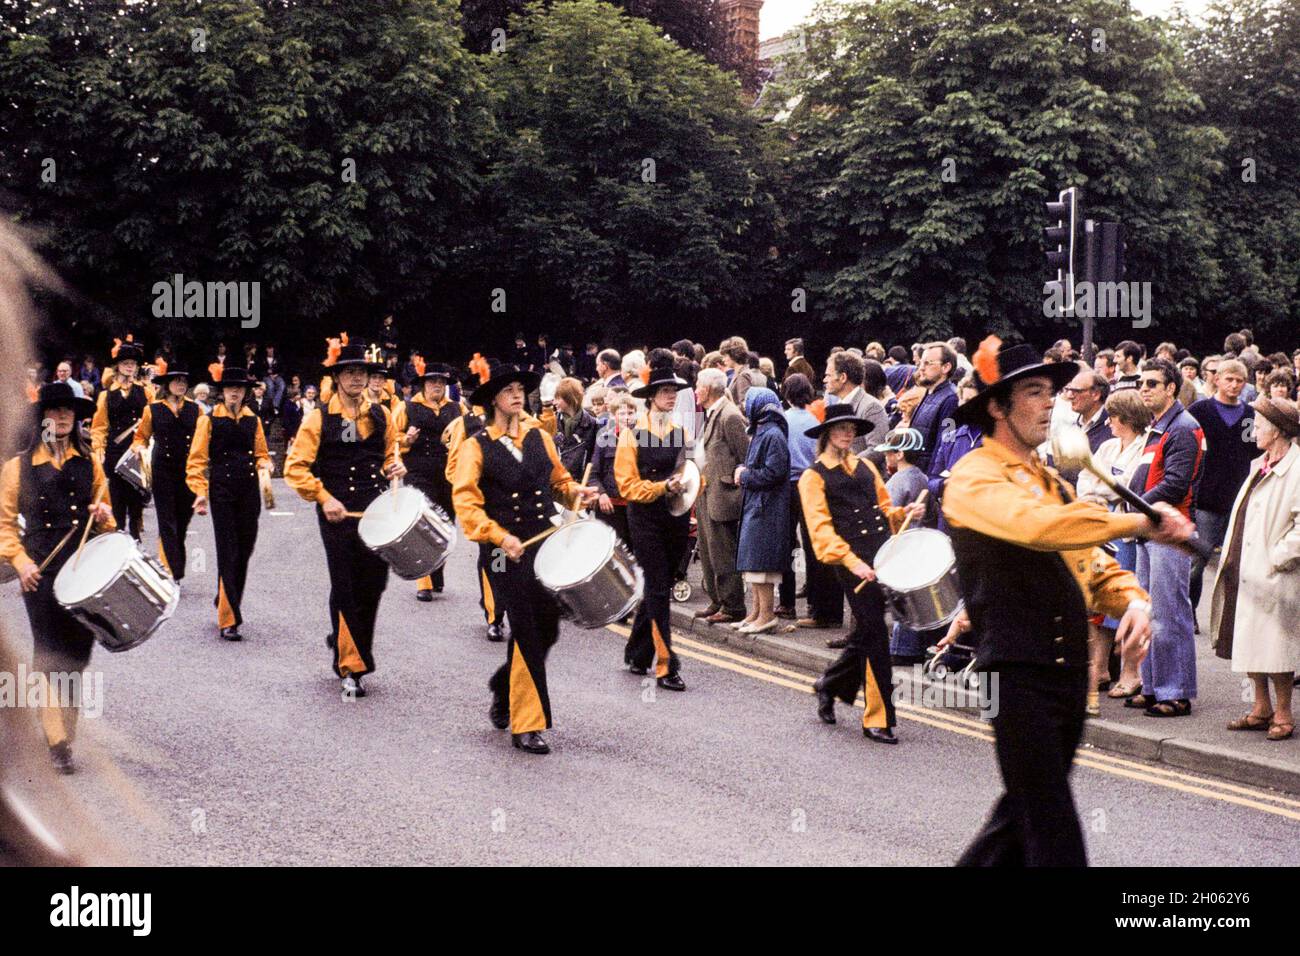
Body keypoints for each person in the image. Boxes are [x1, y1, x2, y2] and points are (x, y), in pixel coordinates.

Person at [942, 339, 1188, 866]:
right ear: (996, 406)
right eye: (1034, 392)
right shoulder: (972, 478)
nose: (1049, 402)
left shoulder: (1051, 481)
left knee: (1017, 826)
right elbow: (1039, 529)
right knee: (1053, 833)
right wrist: (1142, 522)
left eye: (1050, 391)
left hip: (1068, 675)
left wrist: (1136, 602)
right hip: (1014, 675)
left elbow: (1093, 562)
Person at [452, 364, 595, 755]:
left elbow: (559, 483)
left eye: (521, 389)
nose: (518, 395)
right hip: (502, 552)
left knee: (548, 627)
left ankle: (502, 687)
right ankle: (527, 723)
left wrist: (580, 493)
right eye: (509, 390)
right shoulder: (475, 446)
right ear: (493, 400)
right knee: (528, 628)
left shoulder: (539, 437)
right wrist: (500, 537)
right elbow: (465, 504)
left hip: (543, 543)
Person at [0, 383, 115, 774]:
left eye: (69, 411)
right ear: (42, 418)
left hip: (84, 572)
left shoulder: (92, 464)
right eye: (55, 410)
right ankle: (57, 741)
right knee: (49, 653)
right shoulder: (17, 468)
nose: (63, 417)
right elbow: (4, 527)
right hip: (41, 573)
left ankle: (64, 729)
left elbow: (108, 522)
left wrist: (103, 517)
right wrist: (20, 562)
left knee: (78, 656)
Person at [284, 344, 407, 697]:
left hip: (375, 513)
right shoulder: (319, 417)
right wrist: (324, 498)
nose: (357, 378)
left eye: (362, 372)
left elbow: (388, 459)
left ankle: (346, 645)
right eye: (349, 372)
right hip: (337, 515)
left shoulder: (382, 415)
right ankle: (351, 665)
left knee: (374, 584)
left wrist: (394, 467)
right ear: (337, 377)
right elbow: (295, 468)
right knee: (346, 585)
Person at [802, 405, 923, 744]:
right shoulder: (813, 476)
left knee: (867, 632)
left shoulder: (867, 466)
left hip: (882, 556)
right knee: (874, 634)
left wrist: (905, 513)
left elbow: (885, 511)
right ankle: (878, 717)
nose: (848, 433)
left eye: (852, 428)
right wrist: (852, 562)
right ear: (827, 432)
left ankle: (829, 684)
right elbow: (820, 530)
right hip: (851, 562)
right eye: (841, 427)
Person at [1212, 397, 1300, 741]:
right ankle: (1261, 709)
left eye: (1260, 424)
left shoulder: (1296, 468)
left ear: (1277, 430)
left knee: (1276, 646)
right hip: (1245, 565)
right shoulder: (1260, 464)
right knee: (1248, 640)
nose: (1255, 429)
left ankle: (1283, 713)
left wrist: (1278, 558)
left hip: (1276, 571)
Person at [1126, 358, 1205, 718]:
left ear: (1171, 388)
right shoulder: (1157, 426)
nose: (1144, 388)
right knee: (1149, 610)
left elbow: (1175, 484)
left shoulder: (1184, 428)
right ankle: (1153, 684)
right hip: (1149, 527)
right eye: (1142, 382)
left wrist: (1136, 506)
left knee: (1170, 612)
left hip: (1169, 532)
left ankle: (1176, 692)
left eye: (1152, 383)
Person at [1075, 390, 1153, 710]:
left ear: (1125, 419)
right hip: (1103, 530)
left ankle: (1132, 673)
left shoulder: (1144, 447)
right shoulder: (1107, 446)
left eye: (1112, 417)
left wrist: (1104, 491)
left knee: (1125, 606)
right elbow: (1086, 481)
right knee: (1098, 607)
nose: (1108, 422)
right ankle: (1102, 670)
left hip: (1128, 536)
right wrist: (1101, 494)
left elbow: (1132, 490)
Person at [617, 367, 693, 689]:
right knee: (659, 588)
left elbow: (690, 472)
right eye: (664, 391)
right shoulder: (631, 434)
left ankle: (636, 653)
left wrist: (688, 491)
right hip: (645, 518)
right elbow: (627, 486)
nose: (671, 395)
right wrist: (663, 487)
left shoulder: (680, 432)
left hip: (674, 516)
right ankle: (665, 666)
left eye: (674, 391)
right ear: (650, 397)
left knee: (658, 586)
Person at [186, 367, 271, 641]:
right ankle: (229, 618)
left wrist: (265, 465)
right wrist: (199, 491)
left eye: (239, 388)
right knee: (228, 551)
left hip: (248, 492)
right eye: (229, 388)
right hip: (221, 490)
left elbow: (261, 454)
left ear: (245, 392)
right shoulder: (208, 421)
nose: (234, 392)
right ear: (221, 392)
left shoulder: (253, 420)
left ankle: (224, 597)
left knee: (244, 550)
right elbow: (197, 461)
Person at [1187, 359, 1255, 625]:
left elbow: (1256, 451)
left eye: (1240, 381)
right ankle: (1190, 610)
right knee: (1197, 561)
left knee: (1237, 564)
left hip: (1238, 498)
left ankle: (1232, 619)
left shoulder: (1251, 415)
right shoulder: (1199, 411)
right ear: (1217, 379)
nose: (1234, 385)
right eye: (1229, 379)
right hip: (1206, 498)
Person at [395, 362, 461, 601]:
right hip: (418, 472)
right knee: (423, 523)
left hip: (448, 474)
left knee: (446, 523)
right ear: (423, 385)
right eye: (433, 382)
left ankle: (436, 573)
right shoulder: (408, 407)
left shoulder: (456, 408)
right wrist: (407, 440)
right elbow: (392, 438)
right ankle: (422, 581)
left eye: (442, 382)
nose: (437, 386)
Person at [779, 373, 838, 626]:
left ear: (787, 393)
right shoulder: (817, 419)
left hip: (789, 485)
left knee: (788, 545)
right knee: (814, 545)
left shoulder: (783, 419)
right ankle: (814, 603)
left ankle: (787, 603)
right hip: (813, 481)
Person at [692, 367, 750, 624]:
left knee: (723, 552)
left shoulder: (729, 416)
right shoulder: (713, 411)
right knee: (708, 551)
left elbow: (745, 456)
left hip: (723, 493)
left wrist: (734, 481)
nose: (695, 390)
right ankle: (717, 600)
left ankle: (733, 606)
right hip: (706, 491)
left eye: (697, 386)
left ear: (706, 390)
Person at [132, 365, 200, 580]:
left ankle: (173, 565)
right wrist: (139, 448)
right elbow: (141, 437)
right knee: (167, 520)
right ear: (167, 385)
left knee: (182, 520)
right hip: (162, 469)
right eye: (176, 380)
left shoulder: (195, 409)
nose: (181, 384)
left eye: (184, 381)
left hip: (187, 470)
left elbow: (203, 438)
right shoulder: (152, 409)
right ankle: (174, 572)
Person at [731, 388, 790, 635]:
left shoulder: (772, 434)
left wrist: (744, 475)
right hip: (758, 504)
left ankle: (766, 616)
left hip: (767, 507)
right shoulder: (761, 431)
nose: (744, 405)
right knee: (752, 563)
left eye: (748, 401)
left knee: (761, 565)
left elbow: (773, 473)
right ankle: (754, 613)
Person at [90, 339, 150, 540]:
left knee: (136, 499)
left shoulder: (146, 391)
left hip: (138, 449)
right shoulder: (106, 395)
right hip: (115, 450)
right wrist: (99, 448)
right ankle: (118, 538)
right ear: (118, 366)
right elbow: (99, 427)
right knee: (116, 497)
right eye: (125, 363)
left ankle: (135, 539)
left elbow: (152, 421)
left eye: (133, 363)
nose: (129, 366)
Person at [590, 391, 636, 547]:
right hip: (611, 505)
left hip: (636, 505)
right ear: (614, 415)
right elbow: (593, 473)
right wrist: (601, 494)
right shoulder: (604, 438)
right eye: (622, 413)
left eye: (630, 412)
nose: (626, 417)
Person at [822, 350, 888, 456]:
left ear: (843, 377)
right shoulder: (839, 405)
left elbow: (878, 449)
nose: (825, 380)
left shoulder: (871, 407)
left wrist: (845, 465)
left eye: (828, 375)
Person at [1055, 366, 1112, 487]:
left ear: (1096, 394)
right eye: (1069, 390)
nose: (1070, 396)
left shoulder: (1112, 428)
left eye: (1076, 391)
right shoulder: (1072, 425)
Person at [910, 342, 959, 474]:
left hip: (927, 476)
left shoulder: (951, 399)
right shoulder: (929, 392)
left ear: (946, 367)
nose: (921, 368)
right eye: (921, 363)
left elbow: (946, 445)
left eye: (928, 363)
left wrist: (932, 480)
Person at [550, 376, 599, 478]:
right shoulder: (551, 423)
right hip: (558, 483)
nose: (554, 402)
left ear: (570, 399)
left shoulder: (594, 425)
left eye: (558, 398)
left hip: (582, 483)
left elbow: (594, 461)